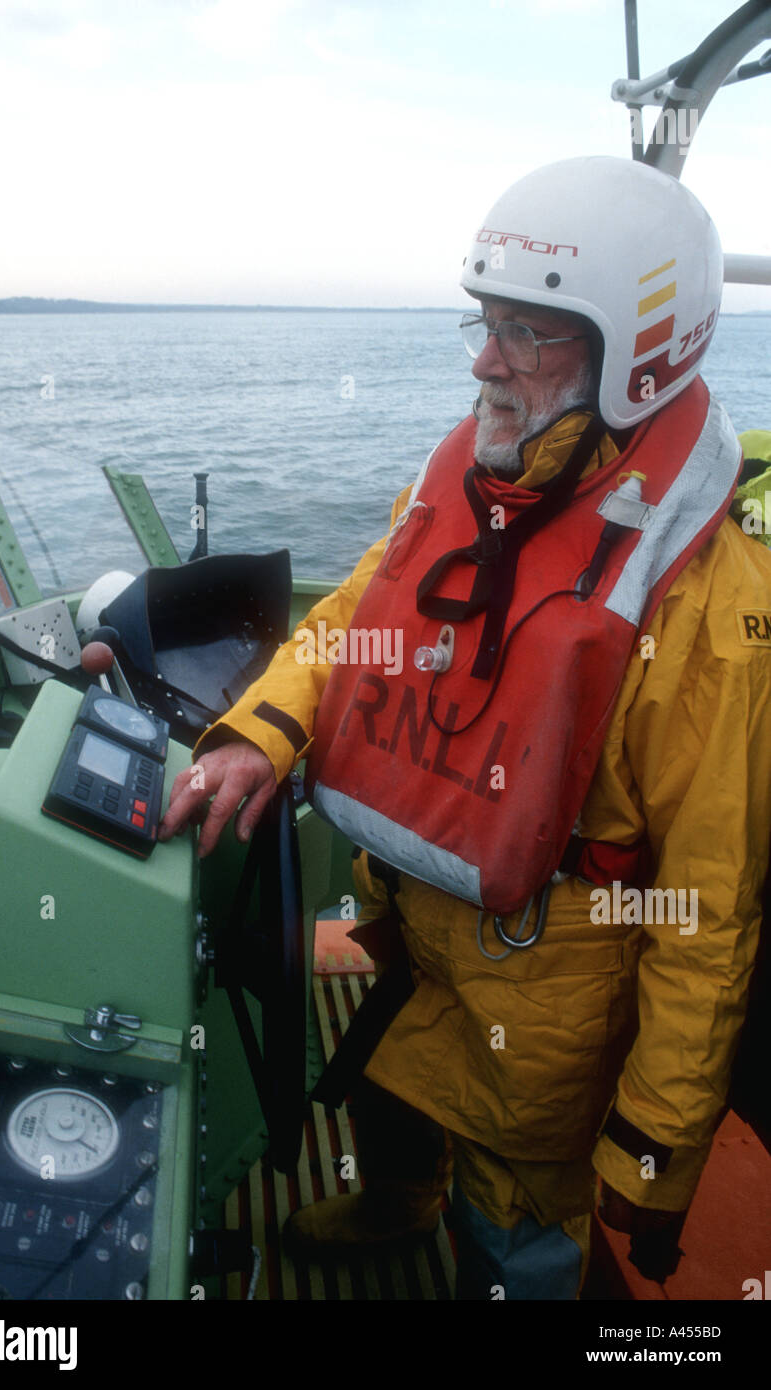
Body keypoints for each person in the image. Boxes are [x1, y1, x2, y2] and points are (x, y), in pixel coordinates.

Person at [159, 155, 771, 1300]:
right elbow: (356, 617)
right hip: (410, 905)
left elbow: (707, 910)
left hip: (542, 994)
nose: (487, 360)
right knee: (392, 1066)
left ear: (638, 361)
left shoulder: (705, 612)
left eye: (531, 333)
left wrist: (654, 1143)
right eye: (484, 323)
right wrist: (265, 730)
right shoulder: (469, 476)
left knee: (517, 1223)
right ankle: (400, 1198)